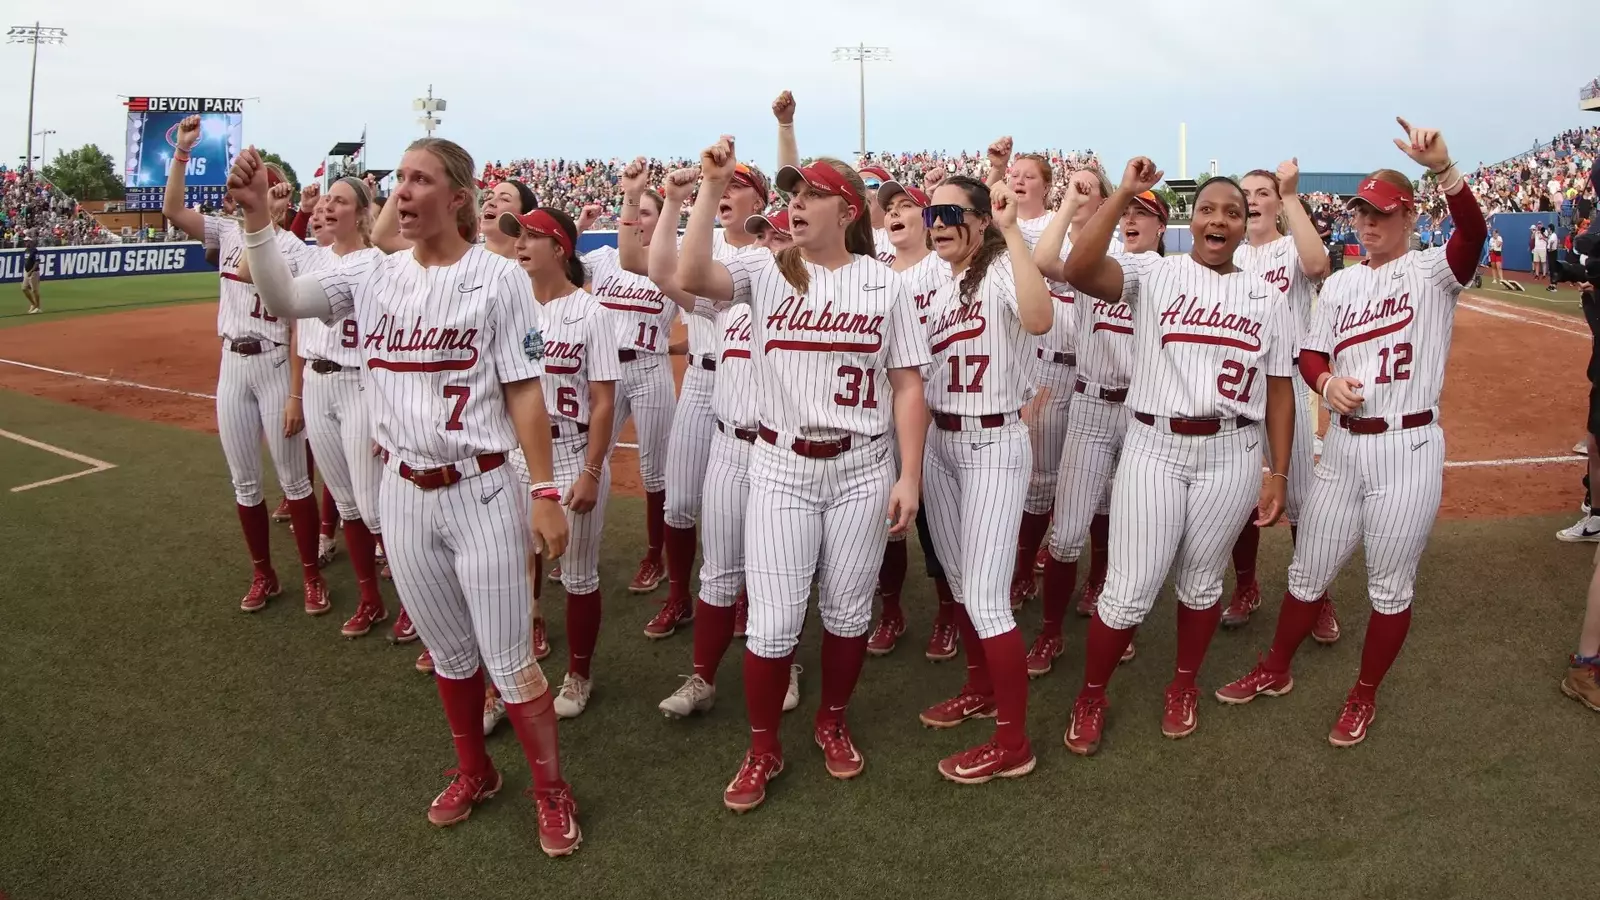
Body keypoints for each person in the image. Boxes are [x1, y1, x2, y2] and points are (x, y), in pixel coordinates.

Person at [233, 137, 581, 856]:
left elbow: (524, 389)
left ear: (457, 197)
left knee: (510, 657)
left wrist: (543, 489)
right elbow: (284, 297)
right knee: (451, 656)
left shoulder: (499, 278)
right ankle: (475, 770)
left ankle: (552, 790)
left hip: (482, 485)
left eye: (420, 180)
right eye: (399, 180)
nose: (404, 191)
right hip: (403, 490)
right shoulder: (372, 273)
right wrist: (258, 224)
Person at [676, 137, 930, 813]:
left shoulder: (886, 285)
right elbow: (690, 274)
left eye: (810, 194)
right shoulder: (768, 270)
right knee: (774, 625)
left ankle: (832, 720)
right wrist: (709, 186)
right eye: (792, 194)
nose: (795, 205)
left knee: (848, 613)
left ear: (847, 209)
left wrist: (910, 474)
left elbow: (907, 385)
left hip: (862, 465)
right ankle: (763, 746)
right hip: (782, 463)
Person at [1215, 119, 1487, 748]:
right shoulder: (1339, 283)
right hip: (1343, 447)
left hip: (1408, 447)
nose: (1368, 226)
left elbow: (1472, 232)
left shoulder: (1431, 273)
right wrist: (1325, 381)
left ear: (1408, 216)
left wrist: (1445, 169)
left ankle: (1363, 695)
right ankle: (1276, 668)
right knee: (1308, 570)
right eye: (1362, 214)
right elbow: (1310, 355)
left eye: (1381, 216)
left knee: (1389, 585)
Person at [1058, 158, 1298, 756]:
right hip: (1154, 446)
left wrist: (1279, 471)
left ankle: (1183, 685)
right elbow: (1079, 267)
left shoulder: (1265, 296)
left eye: (1234, 213)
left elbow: (1279, 388)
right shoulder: (1154, 273)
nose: (1220, 220)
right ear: (1193, 220)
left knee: (1200, 583)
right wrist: (1124, 195)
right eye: (1210, 209)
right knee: (1130, 586)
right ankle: (1091, 693)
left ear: (1246, 226)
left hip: (1232, 450)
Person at [912, 175, 1052, 783]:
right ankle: (981, 689)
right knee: (966, 586)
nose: (936, 222)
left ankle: (1013, 744)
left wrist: (1012, 229)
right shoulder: (931, 283)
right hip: (940, 442)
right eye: (929, 212)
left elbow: (1040, 318)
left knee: (990, 601)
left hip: (993, 442)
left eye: (950, 212)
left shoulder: (999, 269)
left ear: (980, 219)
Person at [161, 115, 329, 615]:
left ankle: (310, 574)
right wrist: (182, 152)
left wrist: (298, 393)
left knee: (296, 481)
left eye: (267, 187)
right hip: (232, 365)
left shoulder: (298, 250)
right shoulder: (227, 232)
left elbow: (300, 326)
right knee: (244, 482)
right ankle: (264, 574)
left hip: (275, 362)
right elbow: (172, 209)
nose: (254, 195)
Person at [653, 169, 803, 719]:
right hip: (726, 445)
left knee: (772, 572)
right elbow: (666, 273)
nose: (767, 245)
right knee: (718, 570)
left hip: (773, 452)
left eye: (779, 235)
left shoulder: (812, 306)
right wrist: (678, 199)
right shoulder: (731, 301)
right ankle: (702, 678)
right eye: (763, 236)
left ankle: (786, 663)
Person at [1028, 184, 1167, 676]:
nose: (1130, 220)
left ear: (1161, 226)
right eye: (1124, 213)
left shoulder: (1169, 276)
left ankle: (1116, 614)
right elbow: (1046, 259)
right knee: (1065, 535)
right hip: (1090, 403)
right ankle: (1049, 633)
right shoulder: (1098, 268)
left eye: (1141, 214)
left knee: (1130, 528)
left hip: (1143, 414)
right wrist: (1072, 207)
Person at [494, 206, 620, 722]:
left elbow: (604, 401)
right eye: (515, 236)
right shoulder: (508, 304)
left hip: (571, 451)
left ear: (559, 249)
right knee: (506, 569)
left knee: (578, 576)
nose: (519, 244)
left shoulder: (591, 312)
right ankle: (509, 676)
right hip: (515, 457)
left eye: (531, 236)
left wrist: (592, 471)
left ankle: (579, 673)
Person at [1222, 160, 1337, 639]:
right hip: (1238, 387)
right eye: (1245, 192)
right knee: (1240, 497)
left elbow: (1318, 266)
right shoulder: (1227, 254)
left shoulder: (1292, 247)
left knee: (1304, 501)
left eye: (1261, 192)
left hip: (1285, 380)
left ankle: (1318, 596)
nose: (1252, 199)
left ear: (1276, 201)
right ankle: (1246, 586)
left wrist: (1291, 195)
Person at [595, 157, 697, 636]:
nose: (641, 221)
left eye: (649, 214)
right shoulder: (602, 259)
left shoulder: (672, 257)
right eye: (638, 215)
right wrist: (630, 198)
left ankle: (654, 555)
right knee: (591, 458)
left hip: (650, 367)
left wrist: (680, 346)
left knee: (655, 471)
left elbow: (705, 317)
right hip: (605, 372)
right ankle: (578, 545)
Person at [289, 177, 391, 640]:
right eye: (326, 199)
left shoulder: (378, 263)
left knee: (372, 508)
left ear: (362, 212)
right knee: (348, 503)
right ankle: (370, 600)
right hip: (317, 380)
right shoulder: (311, 256)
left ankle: (412, 603)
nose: (328, 207)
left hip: (358, 383)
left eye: (340, 201)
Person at [863, 177, 959, 659]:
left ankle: (948, 614)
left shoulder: (946, 272)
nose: (895, 212)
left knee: (938, 523)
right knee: (888, 522)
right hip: (884, 413)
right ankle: (892, 610)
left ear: (928, 219)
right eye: (889, 207)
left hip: (940, 412)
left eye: (907, 205)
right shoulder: (874, 274)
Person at [1021, 168, 1117, 610]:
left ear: (1106, 199)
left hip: (1095, 379)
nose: (1077, 193)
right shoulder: (1053, 236)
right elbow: (1041, 260)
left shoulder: (1115, 251)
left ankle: (1098, 578)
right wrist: (1069, 207)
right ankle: (1022, 573)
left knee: (1099, 493)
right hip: (1049, 373)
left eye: (1088, 188)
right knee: (1040, 483)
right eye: (1071, 185)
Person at [20, 238, 40, 314]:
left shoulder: (35, 251)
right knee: (24, 288)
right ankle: (33, 304)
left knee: (34, 290)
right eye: (25, 241)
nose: (25, 243)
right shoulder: (26, 250)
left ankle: (38, 307)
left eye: (27, 241)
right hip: (26, 272)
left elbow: (37, 262)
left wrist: (31, 271)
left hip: (34, 272)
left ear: (30, 242)